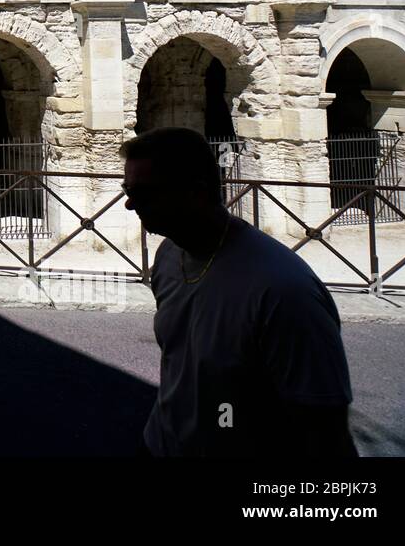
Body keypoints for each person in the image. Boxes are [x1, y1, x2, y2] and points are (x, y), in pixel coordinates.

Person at [121, 127, 357, 457]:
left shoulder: (284, 291)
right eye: (127, 190)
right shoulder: (169, 257)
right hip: (161, 443)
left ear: (196, 192)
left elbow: (325, 430)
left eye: (144, 193)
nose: (130, 204)